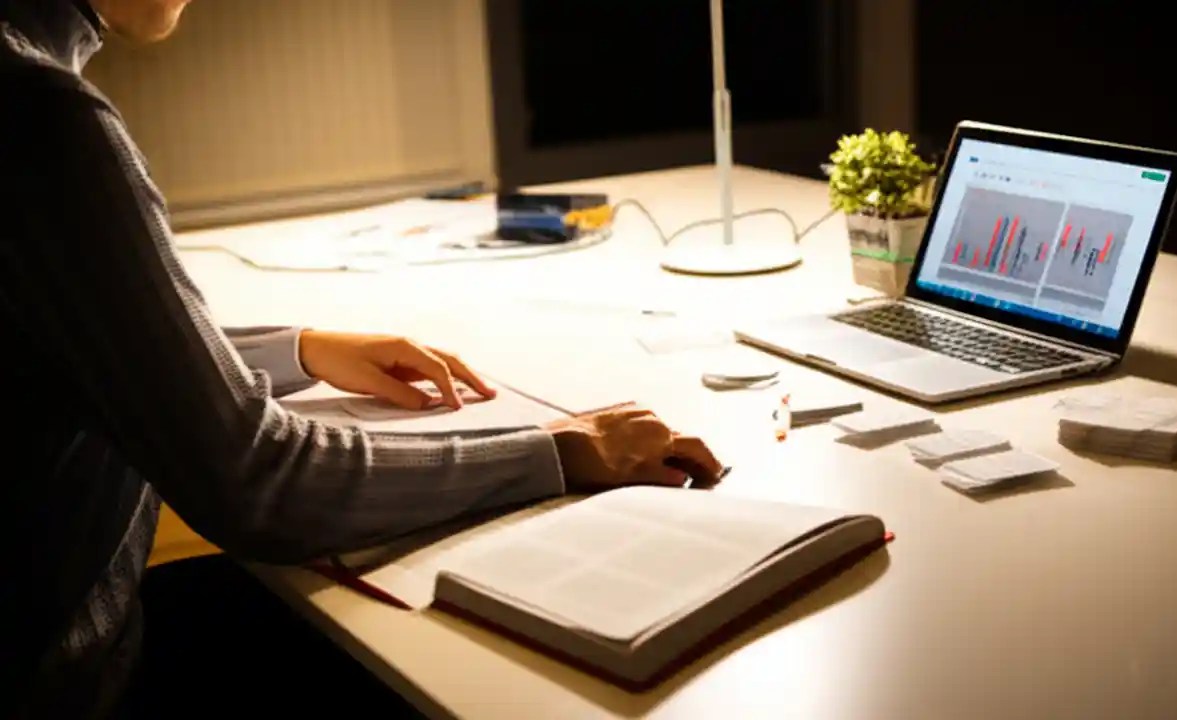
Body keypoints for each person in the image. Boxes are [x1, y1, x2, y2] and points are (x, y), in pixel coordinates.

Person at [0, 0, 724, 717]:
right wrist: (558, 452)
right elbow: (258, 481)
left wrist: (301, 350)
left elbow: (85, 345)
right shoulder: (46, 121)